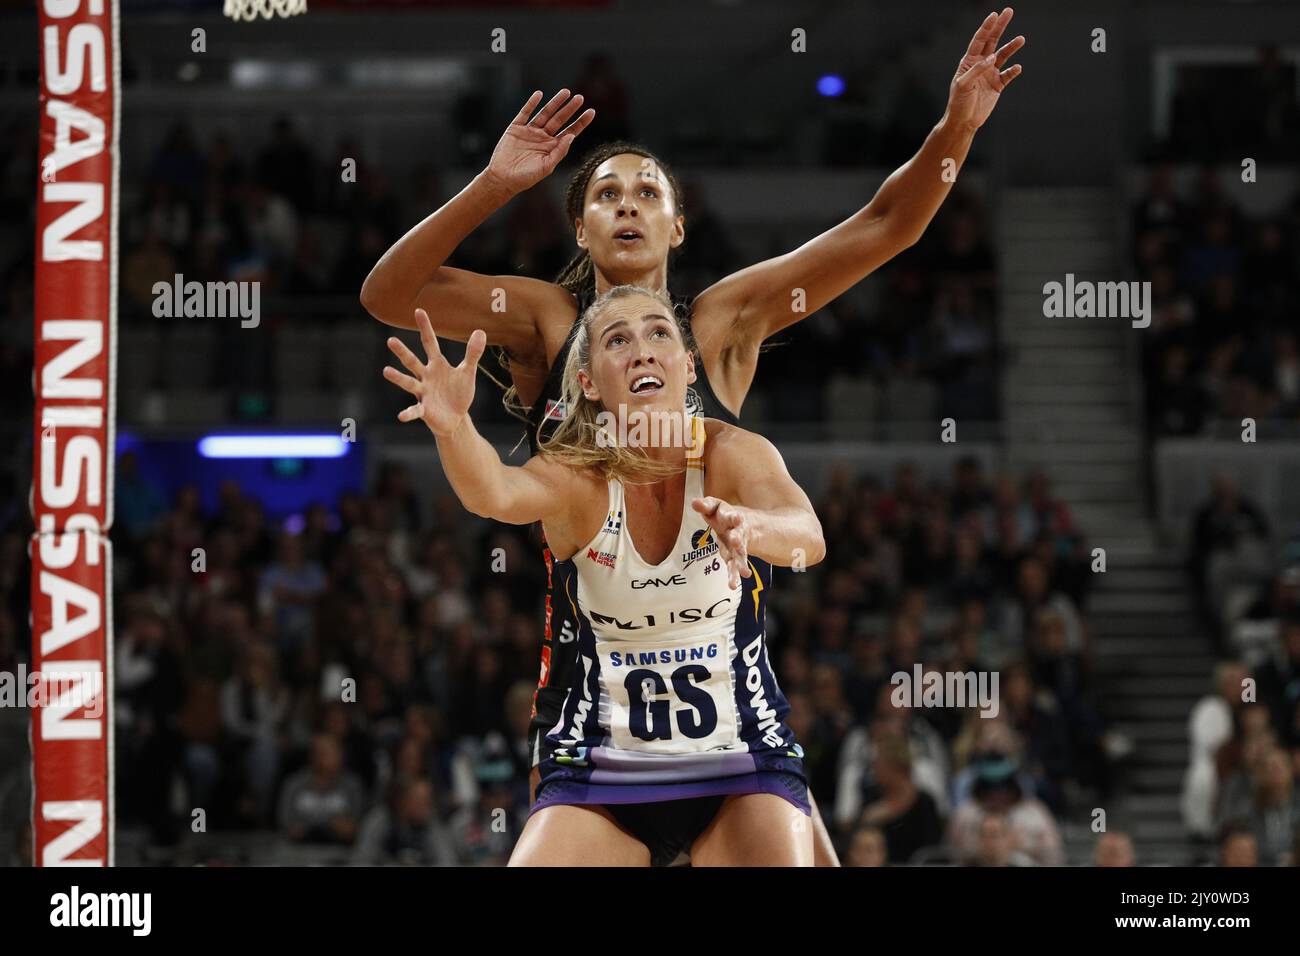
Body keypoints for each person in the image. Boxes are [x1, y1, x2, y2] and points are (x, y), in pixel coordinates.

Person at [360, 11, 1026, 866]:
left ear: (679, 226)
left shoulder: (721, 322)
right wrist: (493, 185)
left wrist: (954, 128)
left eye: (647, 193)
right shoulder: (546, 319)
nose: (626, 204)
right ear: (581, 231)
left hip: (716, 654)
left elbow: (885, 227)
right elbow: (390, 294)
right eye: (605, 194)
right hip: (596, 649)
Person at [382, 287, 826, 865]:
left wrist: (750, 526)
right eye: (619, 341)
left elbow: (808, 536)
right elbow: (493, 490)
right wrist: (454, 429)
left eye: (659, 333)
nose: (642, 351)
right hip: (601, 769)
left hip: (740, 760)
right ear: (589, 381)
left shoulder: (731, 453)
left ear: (687, 365)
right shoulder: (579, 476)